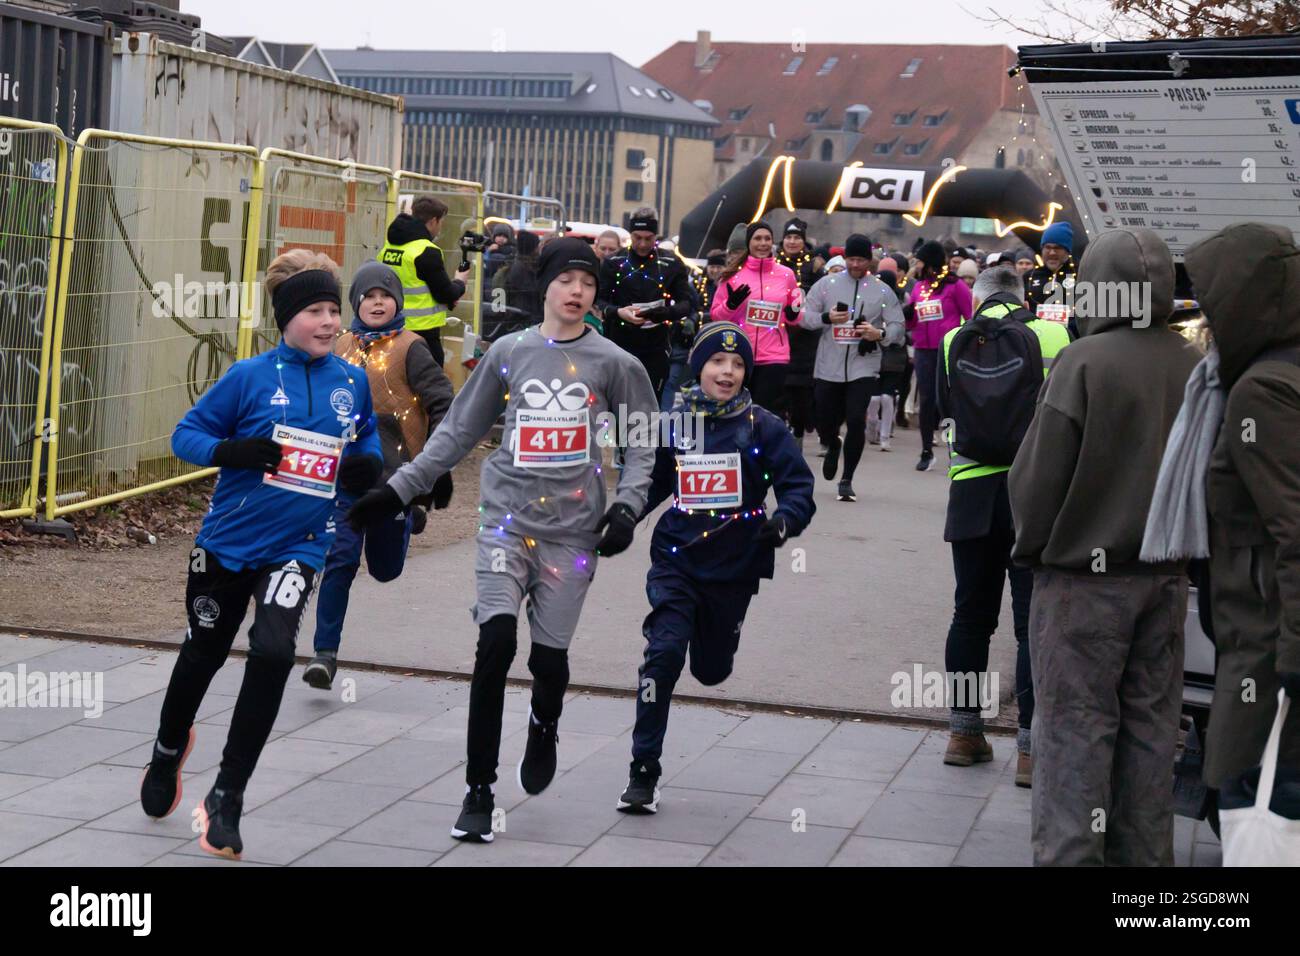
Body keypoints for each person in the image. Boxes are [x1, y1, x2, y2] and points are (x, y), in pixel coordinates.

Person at [346, 238, 659, 844]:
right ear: (543, 285)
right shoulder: (510, 352)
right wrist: (401, 489)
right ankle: (479, 791)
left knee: (548, 660)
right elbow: (459, 429)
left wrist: (627, 506)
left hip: (573, 532)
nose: (576, 291)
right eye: (565, 279)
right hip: (506, 523)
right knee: (494, 644)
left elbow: (643, 441)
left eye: (587, 282)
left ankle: (545, 721)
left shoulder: (618, 363)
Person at [139, 251, 381, 860]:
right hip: (228, 544)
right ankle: (169, 747)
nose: (328, 322)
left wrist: (368, 464)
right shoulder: (248, 376)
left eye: (334, 310)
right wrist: (236, 451)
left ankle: (228, 794)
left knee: (273, 652)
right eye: (314, 311)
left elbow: (366, 437)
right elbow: (185, 436)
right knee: (204, 652)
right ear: (286, 318)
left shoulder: (352, 381)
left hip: (301, 545)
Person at [1008, 227, 1201, 866]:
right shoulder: (1194, 364)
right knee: (1151, 735)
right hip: (1166, 578)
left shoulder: (1083, 362)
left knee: (1073, 736)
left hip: (1082, 583)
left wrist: (1033, 548)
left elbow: (1036, 481)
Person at [616, 320, 816, 812]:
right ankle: (643, 770)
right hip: (676, 560)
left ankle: (719, 648)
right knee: (661, 657)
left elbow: (798, 488)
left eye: (738, 364)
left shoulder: (764, 426)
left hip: (735, 566)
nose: (727, 372)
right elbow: (653, 481)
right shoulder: (676, 423)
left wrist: (785, 521)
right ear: (698, 366)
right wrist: (620, 517)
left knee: (709, 671)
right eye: (717, 362)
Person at [1143, 222, 1300, 829]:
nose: (1204, 312)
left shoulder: (1261, 388)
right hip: (1259, 639)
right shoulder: (1265, 369)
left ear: (1250, 298)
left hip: (1264, 652)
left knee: (1253, 816)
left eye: (1214, 298)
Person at [935, 266, 1069, 782]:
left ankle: (964, 734)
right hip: (1032, 490)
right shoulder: (1054, 334)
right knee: (1031, 620)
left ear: (979, 299)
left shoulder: (952, 339)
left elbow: (945, 411)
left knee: (970, 615)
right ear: (1020, 297)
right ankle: (1031, 752)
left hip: (970, 491)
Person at [302, 262, 455, 690]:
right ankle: (324, 654)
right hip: (345, 476)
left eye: (385, 296)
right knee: (340, 561)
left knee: (385, 570)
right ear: (356, 303)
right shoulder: (339, 344)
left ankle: (406, 520)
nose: (377, 302)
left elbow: (443, 401)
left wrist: (436, 464)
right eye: (368, 296)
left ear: (397, 303)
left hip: (396, 477)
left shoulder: (412, 348)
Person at [799, 233, 905, 502]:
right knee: (825, 420)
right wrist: (827, 317)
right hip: (828, 366)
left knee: (856, 420)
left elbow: (898, 326)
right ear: (844, 258)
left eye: (861, 259)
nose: (856, 264)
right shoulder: (826, 285)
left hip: (863, 366)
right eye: (851, 259)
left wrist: (878, 333)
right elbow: (804, 318)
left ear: (870, 261)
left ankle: (846, 479)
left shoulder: (882, 291)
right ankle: (832, 443)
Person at [598, 207, 695, 399]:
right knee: (617, 403)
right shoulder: (613, 262)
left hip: (655, 349)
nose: (642, 244)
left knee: (650, 405)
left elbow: (687, 303)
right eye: (637, 237)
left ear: (656, 236)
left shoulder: (672, 264)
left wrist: (667, 313)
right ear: (630, 235)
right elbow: (598, 301)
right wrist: (618, 312)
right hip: (619, 345)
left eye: (648, 238)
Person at [709, 220, 802, 419]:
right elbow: (716, 315)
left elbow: (795, 314)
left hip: (774, 356)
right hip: (739, 354)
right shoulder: (732, 276)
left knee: (765, 415)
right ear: (749, 243)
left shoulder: (786, 275)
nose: (763, 243)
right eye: (758, 238)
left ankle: (767, 449)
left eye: (767, 238)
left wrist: (794, 314)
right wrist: (730, 306)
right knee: (738, 413)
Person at [378, 197, 472, 369]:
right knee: (430, 387)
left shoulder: (389, 247)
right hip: (423, 333)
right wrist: (460, 281)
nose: (441, 226)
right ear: (433, 221)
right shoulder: (426, 250)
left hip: (391, 327)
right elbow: (444, 292)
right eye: (441, 221)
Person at [906, 240, 972, 472]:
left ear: (931, 264)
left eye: (920, 261)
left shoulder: (955, 286)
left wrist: (964, 342)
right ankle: (926, 450)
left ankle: (955, 448)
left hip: (947, 351)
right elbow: (913, 321)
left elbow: (970, 316)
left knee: (947, 402)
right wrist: (907, 315)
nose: (917, 265)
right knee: (926, 401)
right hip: (923, 351)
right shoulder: (918, 287)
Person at [776, 218, 825, 445]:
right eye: (789, 237)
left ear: (803, 242)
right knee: (779, 392)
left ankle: (797, 436)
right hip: (777, 336)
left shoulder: (815, 267)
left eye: (797, 238)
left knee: (802, 395)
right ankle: (780, 436)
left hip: (806, 339)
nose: (792, 241)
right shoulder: (773, 263)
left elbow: (823, 299)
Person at [866, 259, 910, 452]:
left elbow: (902, 331)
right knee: (874, 398)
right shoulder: (870, 303)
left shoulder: (901, 303)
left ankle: (885, 437)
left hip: (894, 357)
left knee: (887, 397)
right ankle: (871, 430)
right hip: (873, 355)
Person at [1024, 222, 1077, 338]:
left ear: (1067, 251)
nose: (1052, 252)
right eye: (1048, 247)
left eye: (1057, 248)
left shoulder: (1079, 276)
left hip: (1069, 344)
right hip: (1034, 342)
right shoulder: (1029, 277)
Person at [496, 229, 542, 326]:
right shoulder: (521, 268)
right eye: (537, 246)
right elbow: (533, 290)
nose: (538, 250)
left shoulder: (522, 264)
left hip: (524, 315)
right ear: (531, 248)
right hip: (523, 317)